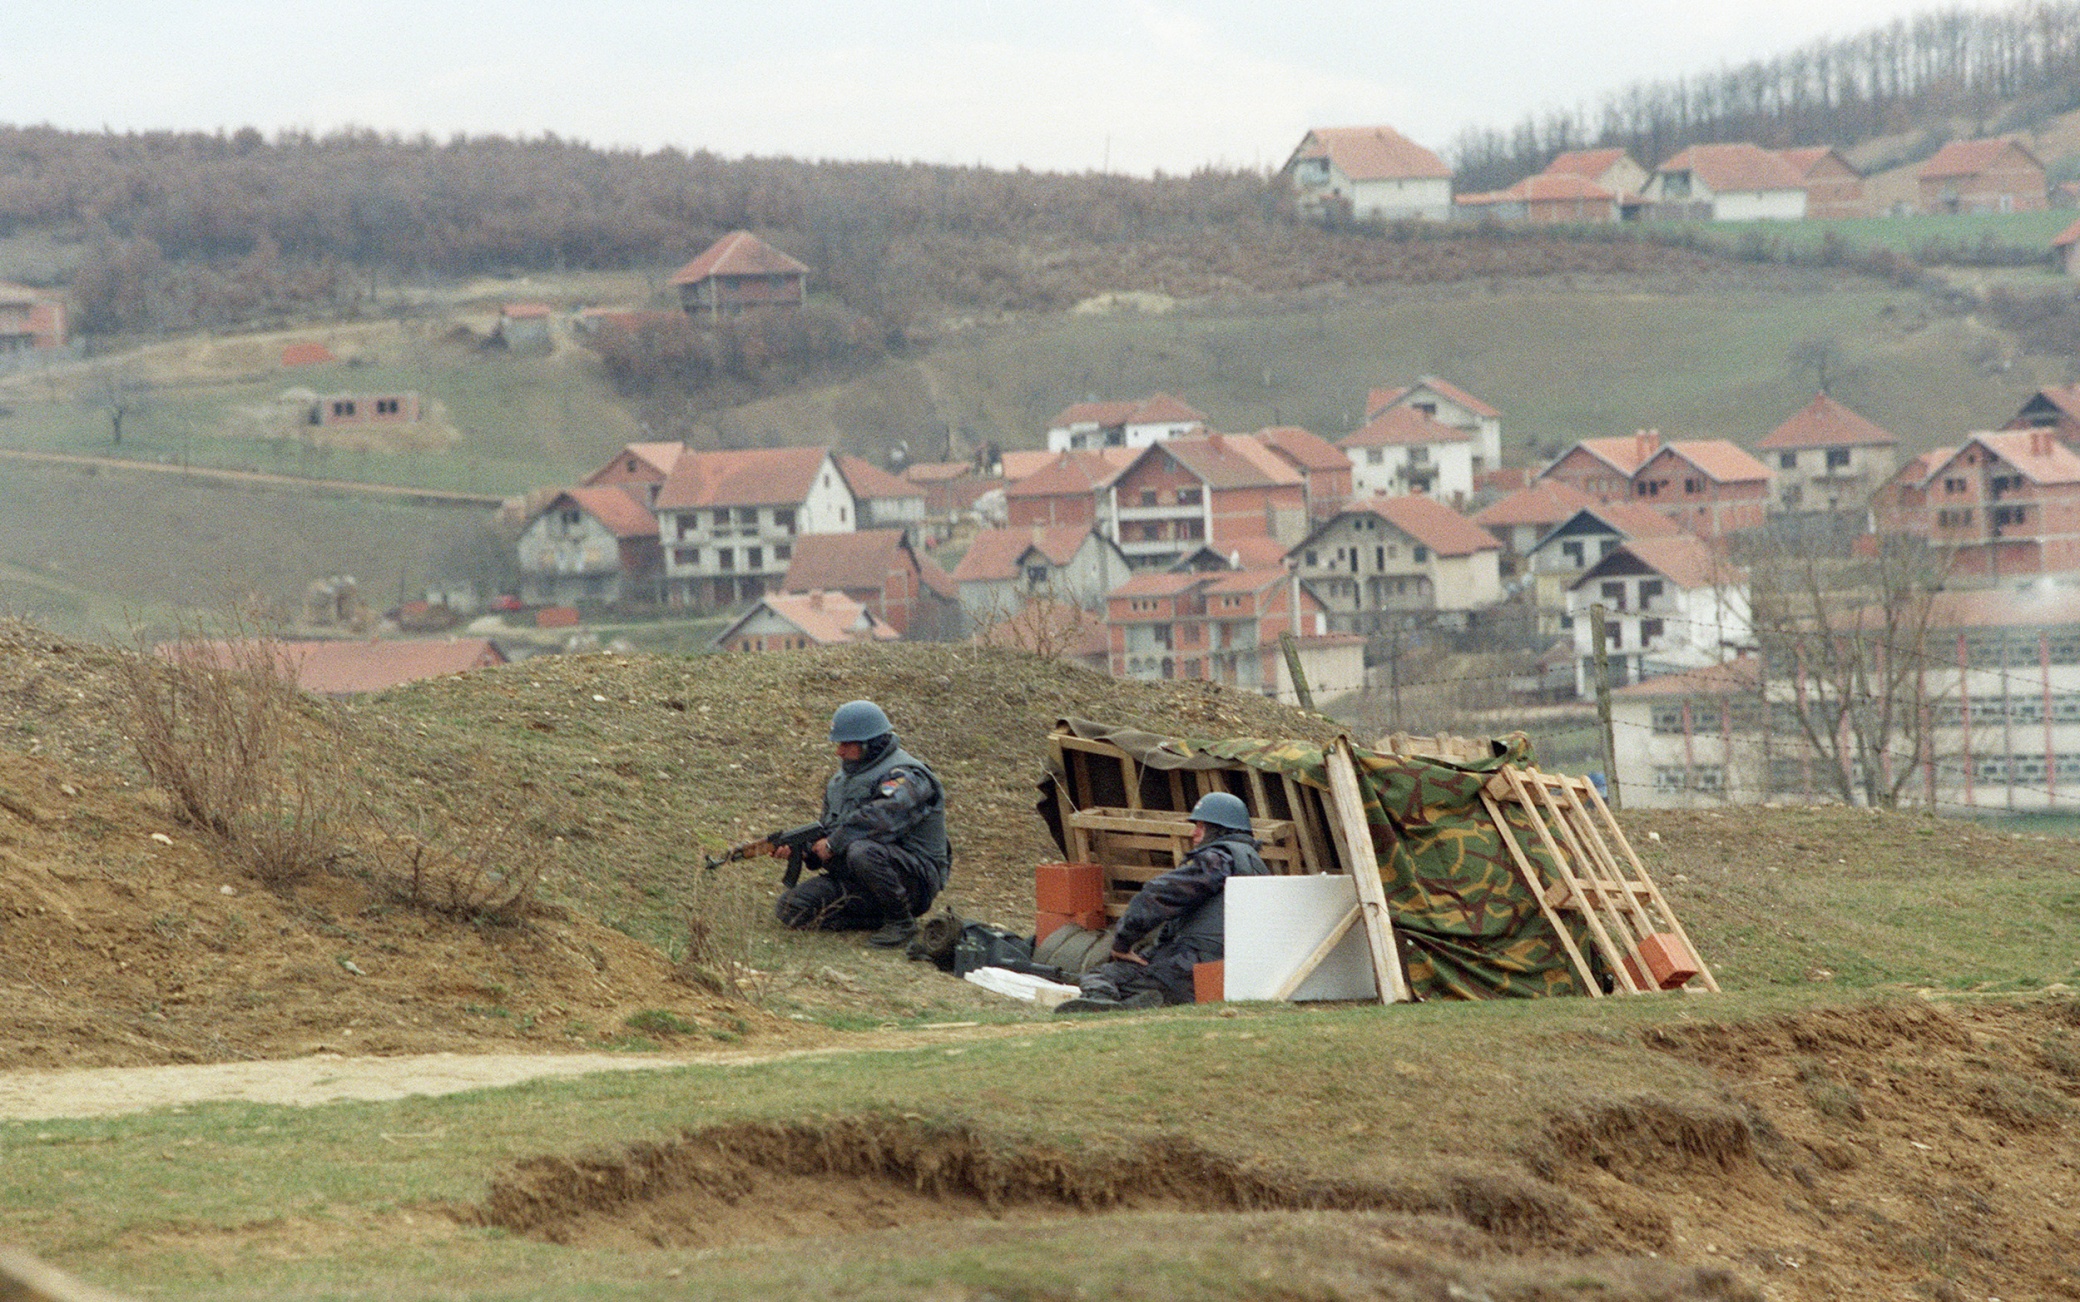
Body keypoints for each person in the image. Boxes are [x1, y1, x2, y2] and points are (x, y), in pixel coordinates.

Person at [1056, 791, 1268, 1013]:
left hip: (1192, 967)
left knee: (1102, 975)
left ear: (1219, 829)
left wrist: (1123, 942)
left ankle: (1101, 1001)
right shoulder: (1255, 864)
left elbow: (1157, 895)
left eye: (1201, 827)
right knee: (1141, 973)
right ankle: (1144, 1001)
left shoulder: (1218, 859)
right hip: (1230, 973)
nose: (1194, 834)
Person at [774, 699, 950, 948]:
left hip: (912, 881)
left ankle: (901, 922)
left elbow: (881, 817)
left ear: (870, 743)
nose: (839, 751)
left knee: (862, 850)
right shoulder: (840, 782)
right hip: (859, 878)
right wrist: (804, 851)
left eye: (847, 743)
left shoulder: (910, 775)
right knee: (791, 908)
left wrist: (833, 844)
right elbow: (830, 832)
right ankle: (878, 919)